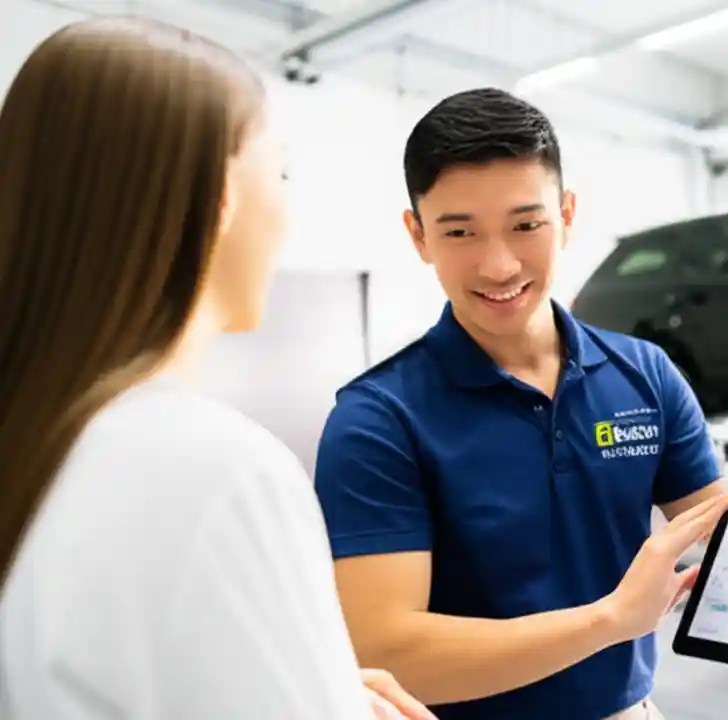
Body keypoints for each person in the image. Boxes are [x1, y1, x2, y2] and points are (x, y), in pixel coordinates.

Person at [313, 87, 728, 720]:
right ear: (418, 235)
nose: (499, 264)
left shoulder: (643, 373)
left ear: (566, 215)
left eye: (526, 224)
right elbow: (387, 652)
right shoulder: (378, 420)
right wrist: (613, 621)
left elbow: (721, 526)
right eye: (460, 232)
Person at [0, 17, 433, 720]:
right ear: (217, 194)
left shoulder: (40, 443)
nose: (289, 211)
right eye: (282, 171)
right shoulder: (215, 471)